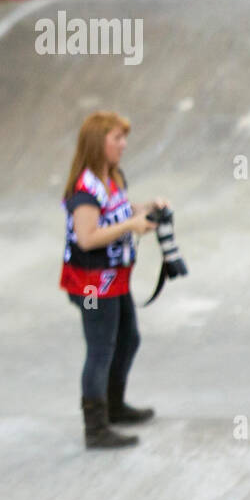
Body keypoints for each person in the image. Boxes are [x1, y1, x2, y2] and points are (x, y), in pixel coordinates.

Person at [60, 111, 167, 449]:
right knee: (101, 350)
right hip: (91, 283)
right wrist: (130, 227)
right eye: (117, 138)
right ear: (98, 143)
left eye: (124, 138)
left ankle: (114, 407)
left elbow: (120, 209)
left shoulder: (111, 177)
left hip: (113, 279)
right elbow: (87, 237)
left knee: (129, 339)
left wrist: (146, 208)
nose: (123, 144)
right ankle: (95, 428)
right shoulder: (85, 189)